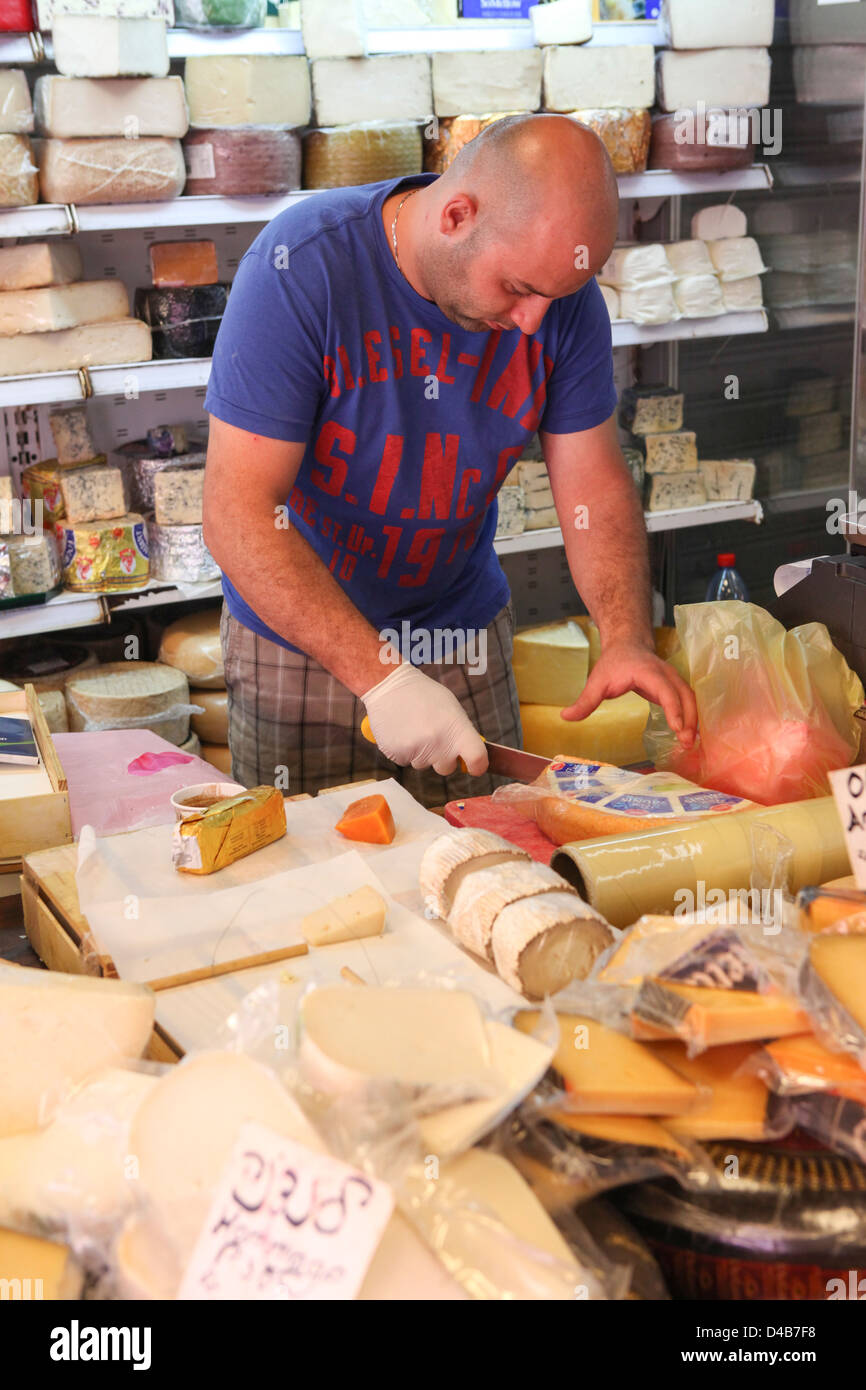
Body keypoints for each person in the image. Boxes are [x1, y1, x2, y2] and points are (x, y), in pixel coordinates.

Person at [203, 112, 697, 804]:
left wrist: (625, 637)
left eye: (551, 296)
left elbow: (595, 483)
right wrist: (384, 678)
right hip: (299, 640)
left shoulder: (562, 299)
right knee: (312, 884)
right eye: (519, 289)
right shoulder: (301, 265)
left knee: (492, 866)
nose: (532, 320)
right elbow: (237, 513)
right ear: (457, 216)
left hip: (461, 630)